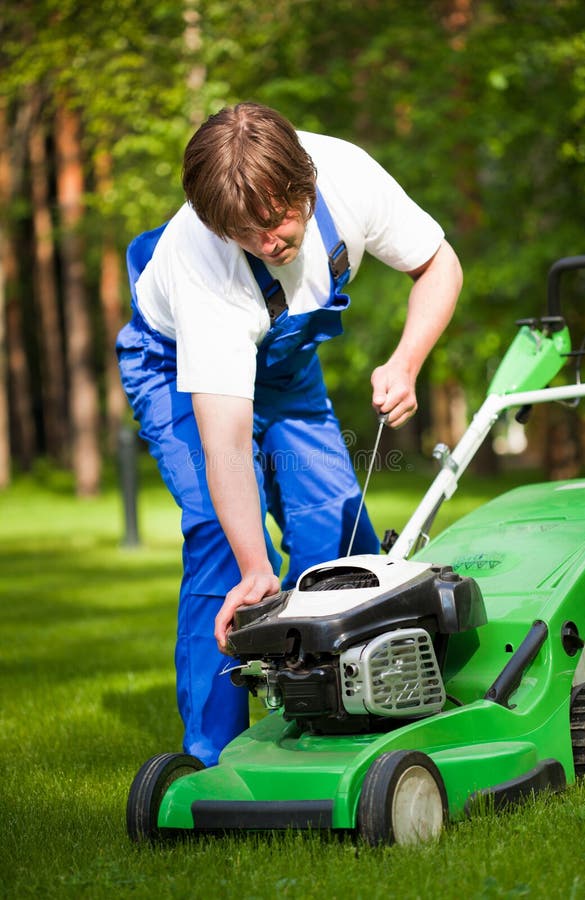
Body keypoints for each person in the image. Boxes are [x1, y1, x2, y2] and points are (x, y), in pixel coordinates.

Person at [116, 102, 462, 767]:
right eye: (246, 234)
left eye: (276, 222)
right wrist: (255, 571)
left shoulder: (350, 178)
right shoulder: (204, 261)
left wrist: (407, 361)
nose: (269, 243)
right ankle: (216, 756)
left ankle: (357, 713)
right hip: (173, 365)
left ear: (304, 181)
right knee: (220, 535)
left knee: (337, 530)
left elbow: (439, 265)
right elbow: (225, 443)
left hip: (285, 363)